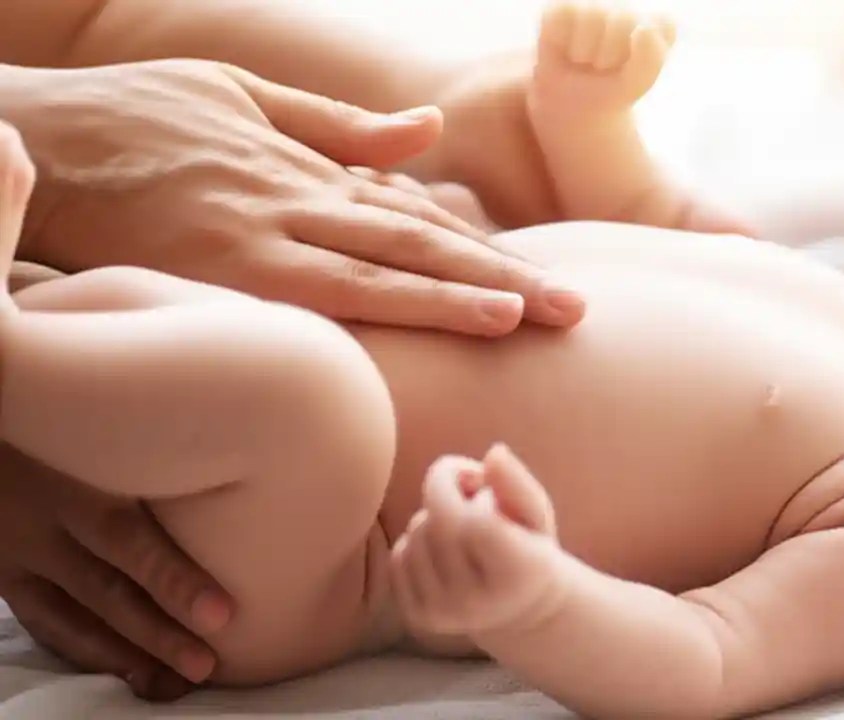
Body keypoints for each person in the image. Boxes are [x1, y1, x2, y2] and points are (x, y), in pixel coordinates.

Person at [10, 2, 844, 717]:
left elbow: (707, 659)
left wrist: (531, 597)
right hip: (213, 339)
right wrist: (584, 116)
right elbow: (646, 215)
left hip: (304, 535)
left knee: (314, 399)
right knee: (407, 215)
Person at [0, 0, 604, 700]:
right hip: (262, 417)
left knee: (316, 396)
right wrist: (45, 127)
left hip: (311, 546)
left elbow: (88, 22)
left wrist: (426, 103)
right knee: (316, 395)